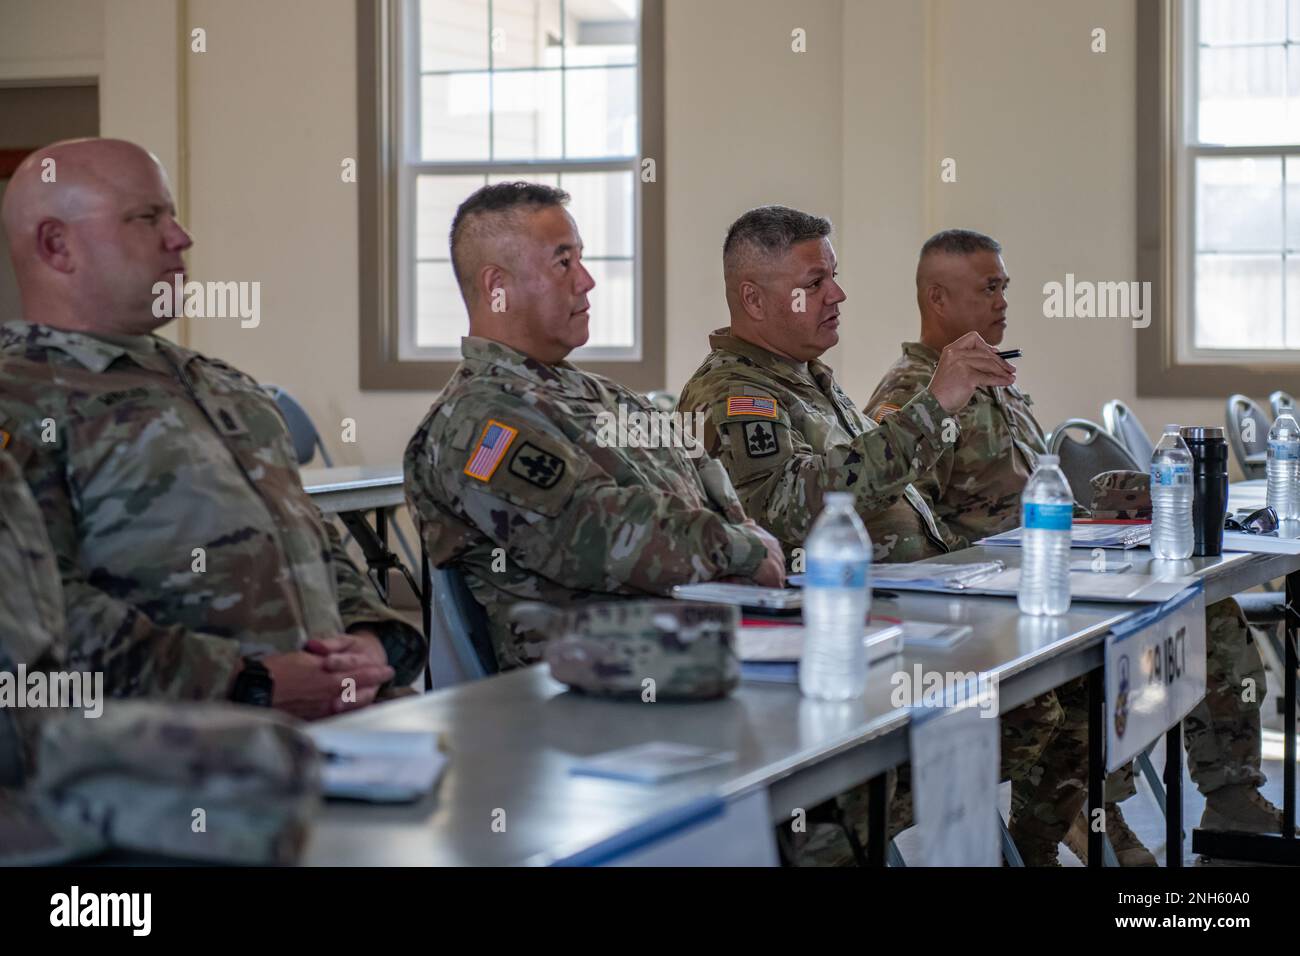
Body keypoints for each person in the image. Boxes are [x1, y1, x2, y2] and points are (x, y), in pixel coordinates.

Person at [867, 228, 1280, 862]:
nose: (1005, 299)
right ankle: (1085, 823)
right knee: (1101, 660)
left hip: (1055, 571)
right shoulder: (911, 397)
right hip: (995, 602)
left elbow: (1029, 492)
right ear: (937, 298)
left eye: (1005, 285)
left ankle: (1231, 800)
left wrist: (1108, 510)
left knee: (1207, 614)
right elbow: (910, 531)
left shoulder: (996, 379)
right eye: (990, 287)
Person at [677, 205, 1069, 864]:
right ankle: (855, 822)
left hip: (906, 618)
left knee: (1053, 697)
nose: (838, 294)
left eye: (834, 275)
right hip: (833, 650)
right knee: (1033, 710)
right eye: (816, 281)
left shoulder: (805, 383)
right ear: (753, 297)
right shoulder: (735, 397)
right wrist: (931, 409)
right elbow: (786, 510)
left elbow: (897, 498)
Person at [0, 138, 425, 719]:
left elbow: (312, 543)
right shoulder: (20, 399)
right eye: (147, 217)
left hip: (341, 742)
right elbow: (34, 614)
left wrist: (375, 640)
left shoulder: (223, 387)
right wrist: (247, 683)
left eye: (171, 214)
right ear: (57, 245)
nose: (180, 236)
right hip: (170, 763)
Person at [404, 181, 784, 672]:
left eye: (580, 260)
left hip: (697, 649)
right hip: (582, 692)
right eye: (563, 263)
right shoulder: (477, 423)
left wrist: (743, 556)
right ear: (497, 288)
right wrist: (738, 549)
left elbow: (704, 474)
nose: (586, 281)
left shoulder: (606, 395)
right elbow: (594, 530)